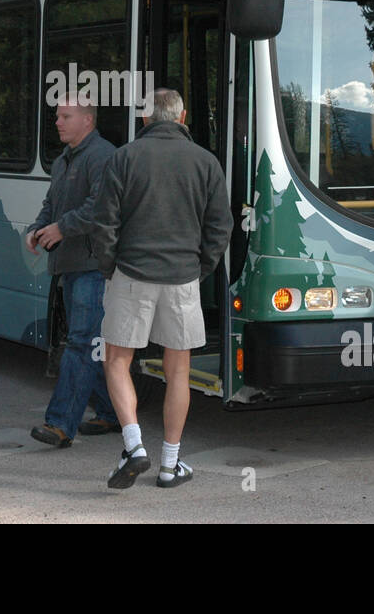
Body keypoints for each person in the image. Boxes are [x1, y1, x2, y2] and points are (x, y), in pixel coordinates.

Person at [92, 88, 232, 490]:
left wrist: (109, 268)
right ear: (183, 116)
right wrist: (199, 268)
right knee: (179, 372)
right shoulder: (206, 162)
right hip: (182, 278)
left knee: (117, 360)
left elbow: (105, 224)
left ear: (144, 119)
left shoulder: (124, 158)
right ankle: (170, 465)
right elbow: (220, 227)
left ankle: (134, 445)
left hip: (131, 275)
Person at [26, 96, 119, 447]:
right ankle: (112, 413)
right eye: (57, 116)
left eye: (66, 116)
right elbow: (52, 203)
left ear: (88, 120)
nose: (58, 122)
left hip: (94, 267)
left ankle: (60, 424)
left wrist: (62, 229)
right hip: (71, 265)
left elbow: (101, 206)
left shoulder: (103, 156)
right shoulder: (65, 158)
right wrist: (38, 228)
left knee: (81, 342)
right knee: (90, 343)